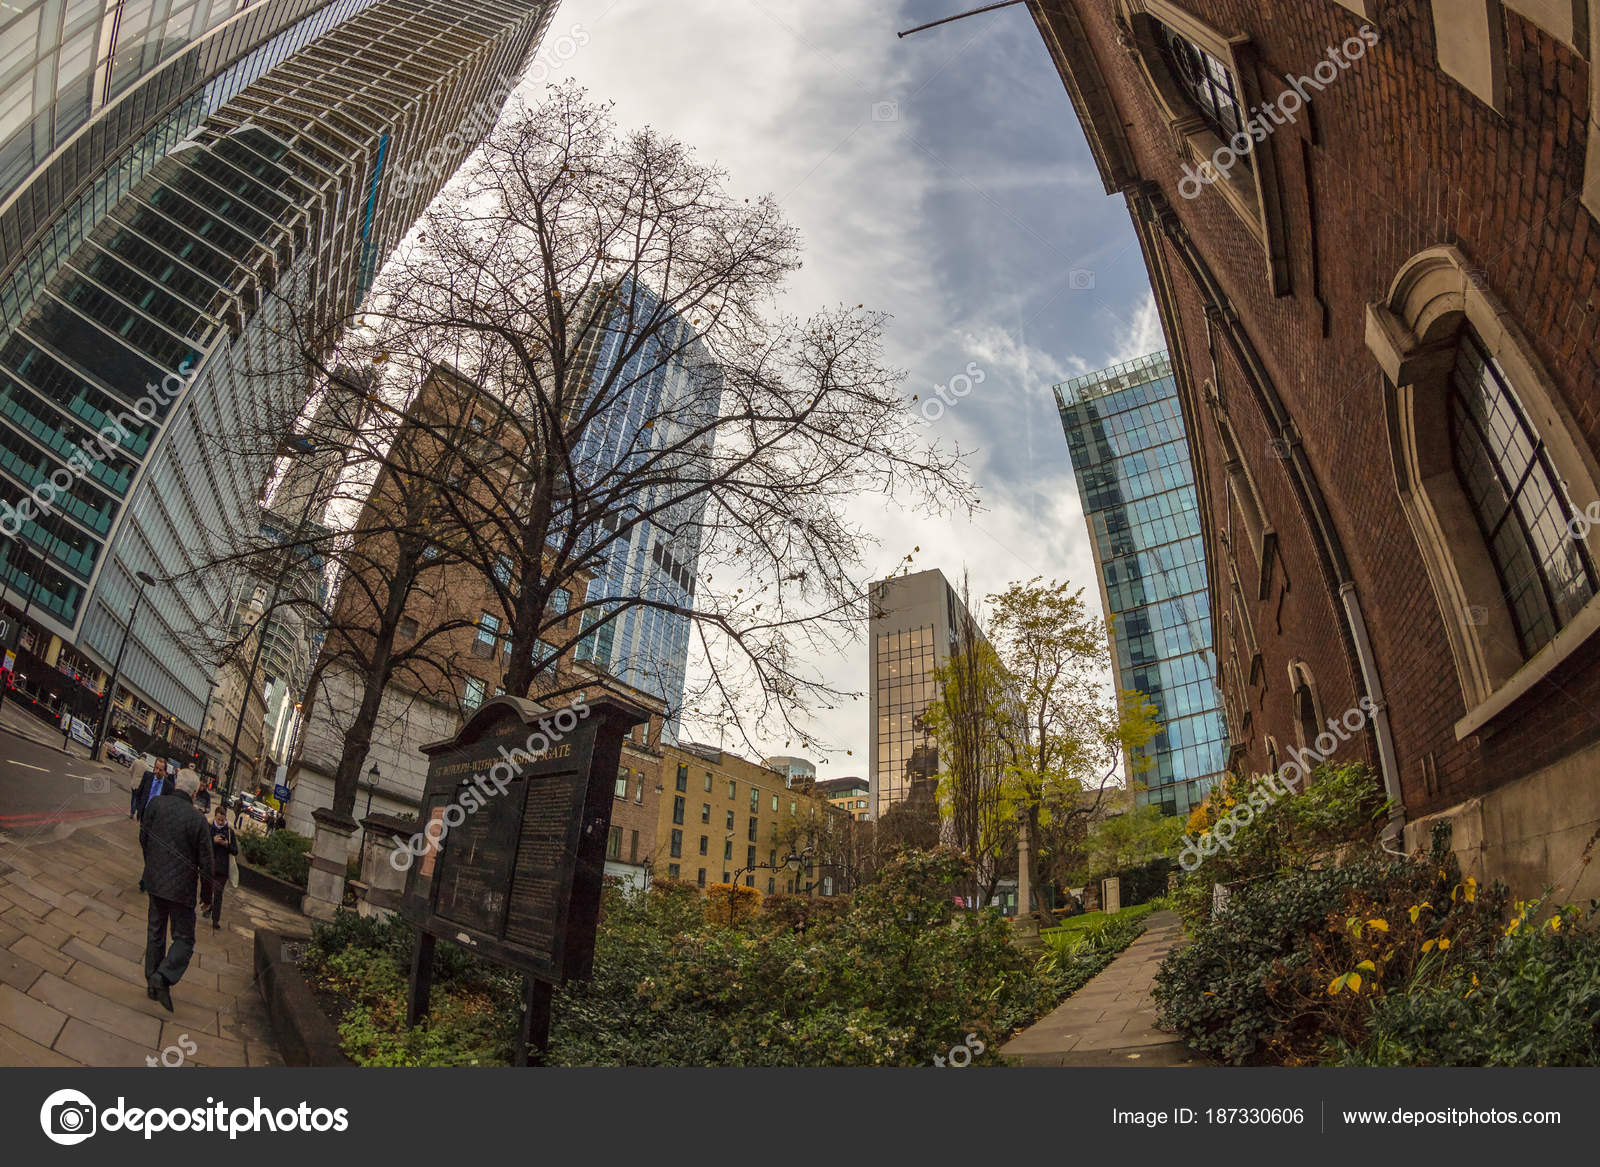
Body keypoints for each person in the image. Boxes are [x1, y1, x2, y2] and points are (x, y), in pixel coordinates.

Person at [139, 767, 210, 1012]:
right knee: (184, 938)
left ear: (177, 784)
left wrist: (152, 865)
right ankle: (162, 976)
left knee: (155, 931)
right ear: (194, 793)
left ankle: (152, 980)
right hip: (182, 890)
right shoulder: (198, 821)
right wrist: (207, 897)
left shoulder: (156, 805)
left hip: (156, 881)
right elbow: (207, 864)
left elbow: (144, 837)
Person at [197, 804, 237, 930]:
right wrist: (212, 841)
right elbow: (202, 844)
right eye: (219, 819)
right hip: (208, 866)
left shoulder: (230, 832)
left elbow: (235, 850)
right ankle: (207, 907)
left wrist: (227, 844)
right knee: (206, 890)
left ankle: (215, 920)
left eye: (223, 820)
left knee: (218, 894)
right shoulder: (209, 828)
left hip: (222, 868)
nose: (220, 822)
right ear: (215, 817)